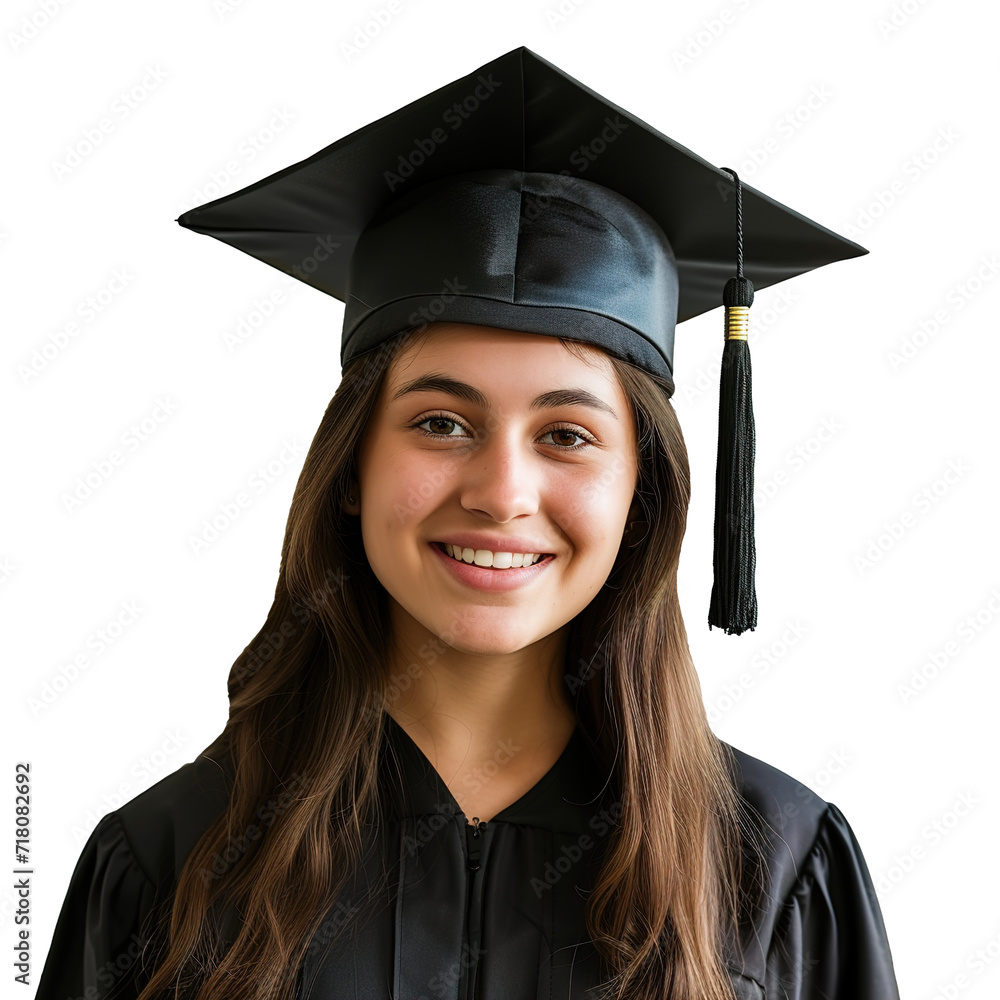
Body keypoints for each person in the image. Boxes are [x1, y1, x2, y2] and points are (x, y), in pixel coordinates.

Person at [35, 47, 901, 1000]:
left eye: (568, 434)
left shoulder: (774, 875)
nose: (502, 491)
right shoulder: (170, 865)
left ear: (641, 492)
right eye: (441, 423)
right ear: (352, 468)